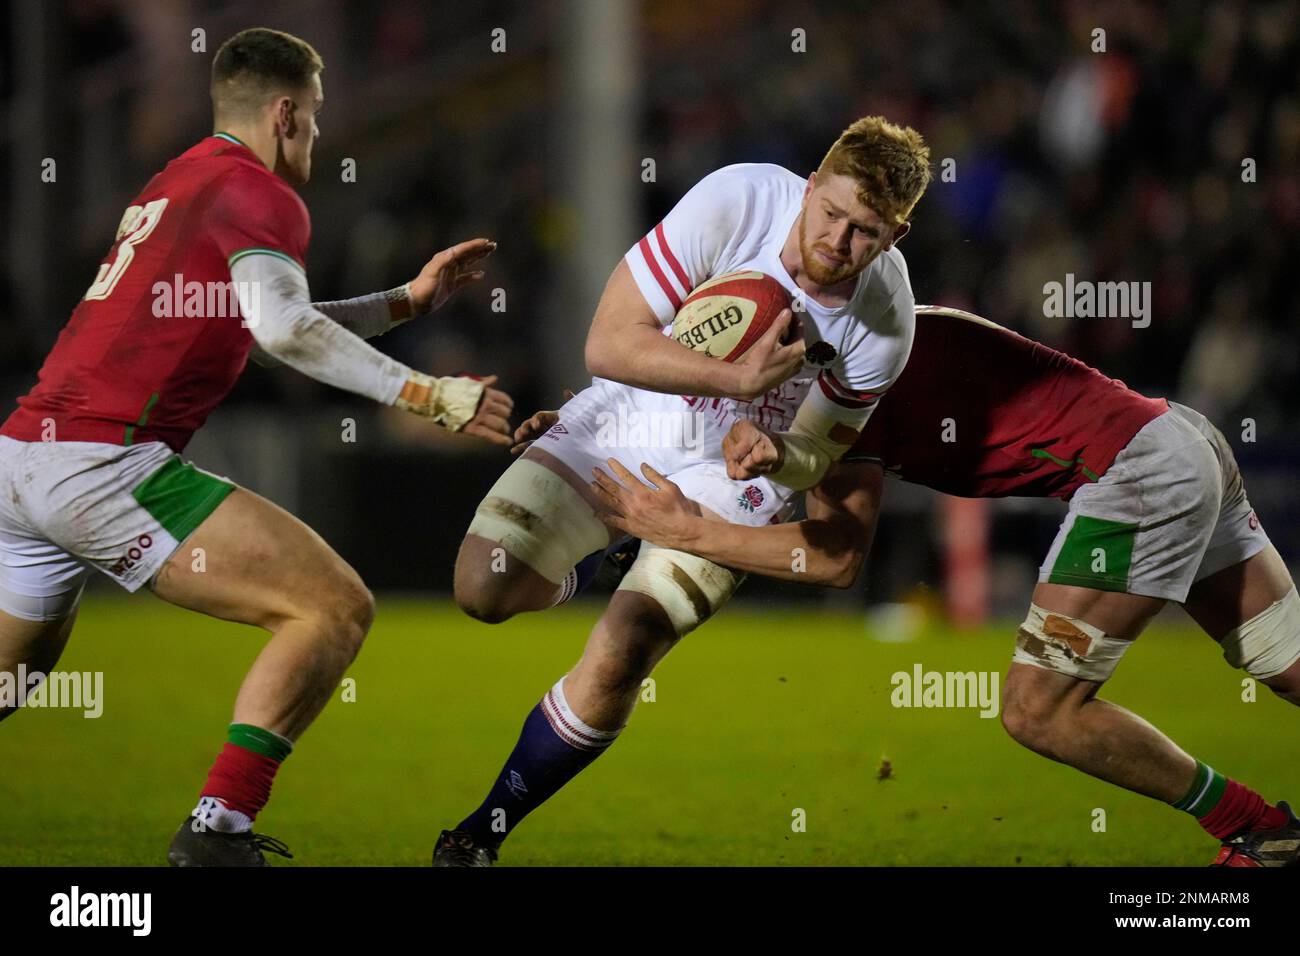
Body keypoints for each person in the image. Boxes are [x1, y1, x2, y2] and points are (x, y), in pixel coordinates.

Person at [0, 27, 513, 867]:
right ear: (284, 113)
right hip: (102, 464)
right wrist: (429, 393)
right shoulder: (262, 192)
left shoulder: (180, 182)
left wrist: (406, 302)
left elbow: (272, 323)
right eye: (312, 116)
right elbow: (286, 330)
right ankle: (217, 834)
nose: (316, 133)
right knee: (332, 607)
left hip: (22, 457)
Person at [591, 305, 1300, 867]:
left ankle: (1259, 831)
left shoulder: (846, 393)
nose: (718, 393)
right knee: (1288, 663)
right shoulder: (885, 334)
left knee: (1038, 711)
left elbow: (835, 561)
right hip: (1178, 437)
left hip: (1139, 475)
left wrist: (689, 531)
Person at [435, 117, 931, 865]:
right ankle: (590, 560)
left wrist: (775, 452)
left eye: (866, 232)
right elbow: (607, 343)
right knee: (483, 587)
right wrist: (735, 381)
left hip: (731, 479)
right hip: (639, 408)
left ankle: (482, 832)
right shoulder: (738, 200)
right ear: (812, 184)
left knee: (627, 646)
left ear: (895, 236)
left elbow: (814, 458)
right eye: (831, 212)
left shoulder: (887, 320)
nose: (838, 241)